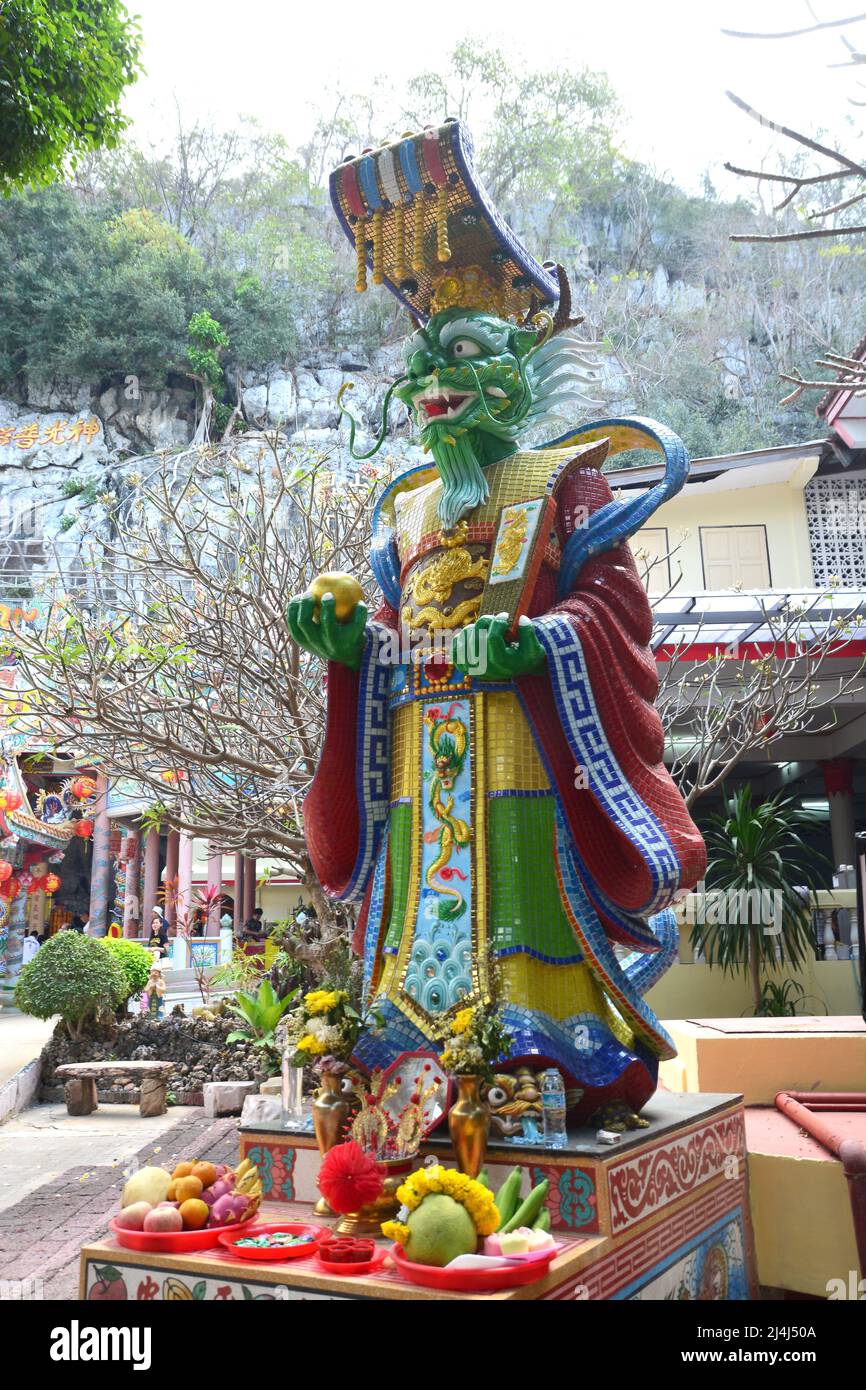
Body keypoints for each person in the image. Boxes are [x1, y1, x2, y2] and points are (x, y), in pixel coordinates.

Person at [288, 121, 706, 1124]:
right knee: (415, 917)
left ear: (519, 369)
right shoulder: (408, 507)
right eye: (425, 360)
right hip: (416, 745)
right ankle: (402, 1046)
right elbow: (389, 621)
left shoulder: (560, 479)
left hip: (520, 735)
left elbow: (613, 605)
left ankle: (532, 1040)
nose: (434, 381)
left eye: (466, 352)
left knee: (515, 894)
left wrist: (541, 640)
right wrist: (356, 650)